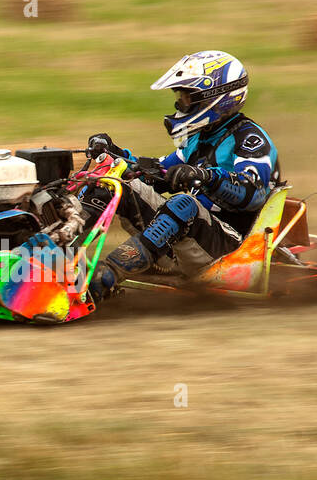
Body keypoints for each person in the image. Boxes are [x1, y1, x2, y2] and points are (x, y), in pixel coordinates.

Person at [84, 50, 281, 299]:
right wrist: (115, 156)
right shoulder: (200, 138)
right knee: (115, 182)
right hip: (191, 238)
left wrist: (205, 177)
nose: (181, 105)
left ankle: (103, 280)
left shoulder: (250, 139)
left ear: (217, 98)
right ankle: (57, 259)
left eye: (188, 98)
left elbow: (253, 193)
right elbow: (156, 172)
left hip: (233, 247)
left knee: (183, 203)